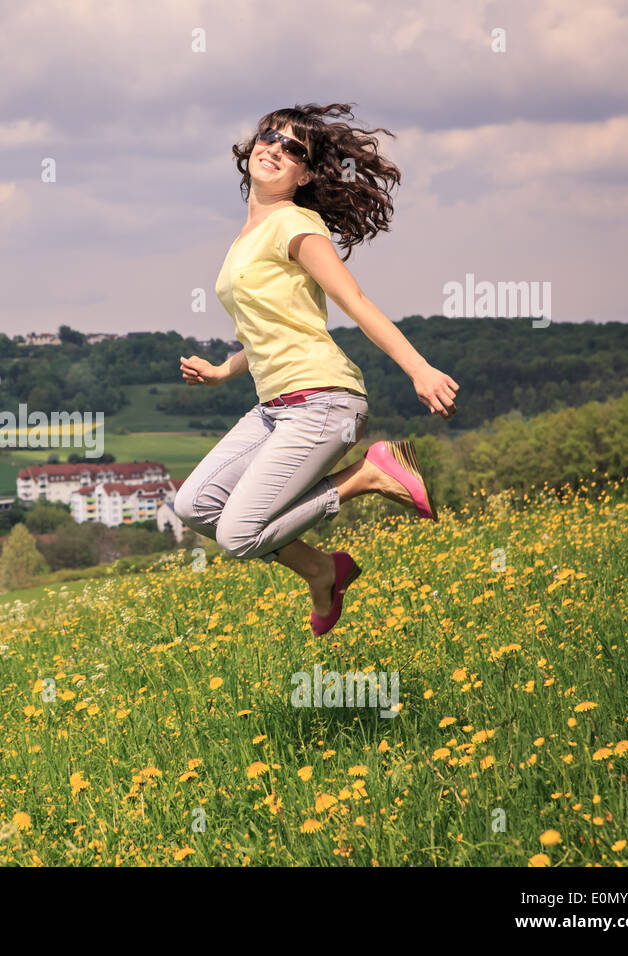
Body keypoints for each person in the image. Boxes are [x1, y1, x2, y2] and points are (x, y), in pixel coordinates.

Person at [174, 103, 459, 636]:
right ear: (252, 145)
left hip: (324, 402)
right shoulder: (247, 237)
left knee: (238, 535)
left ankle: (368, 474)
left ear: (305, 174)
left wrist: (419, 368)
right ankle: (325, 570)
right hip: (275, 407)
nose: (276, 148)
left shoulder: (295, 223)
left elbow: (354, 300)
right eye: (270, 136)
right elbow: (272, 334)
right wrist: (220, 371)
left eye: (294, 149)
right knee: (195, 504)